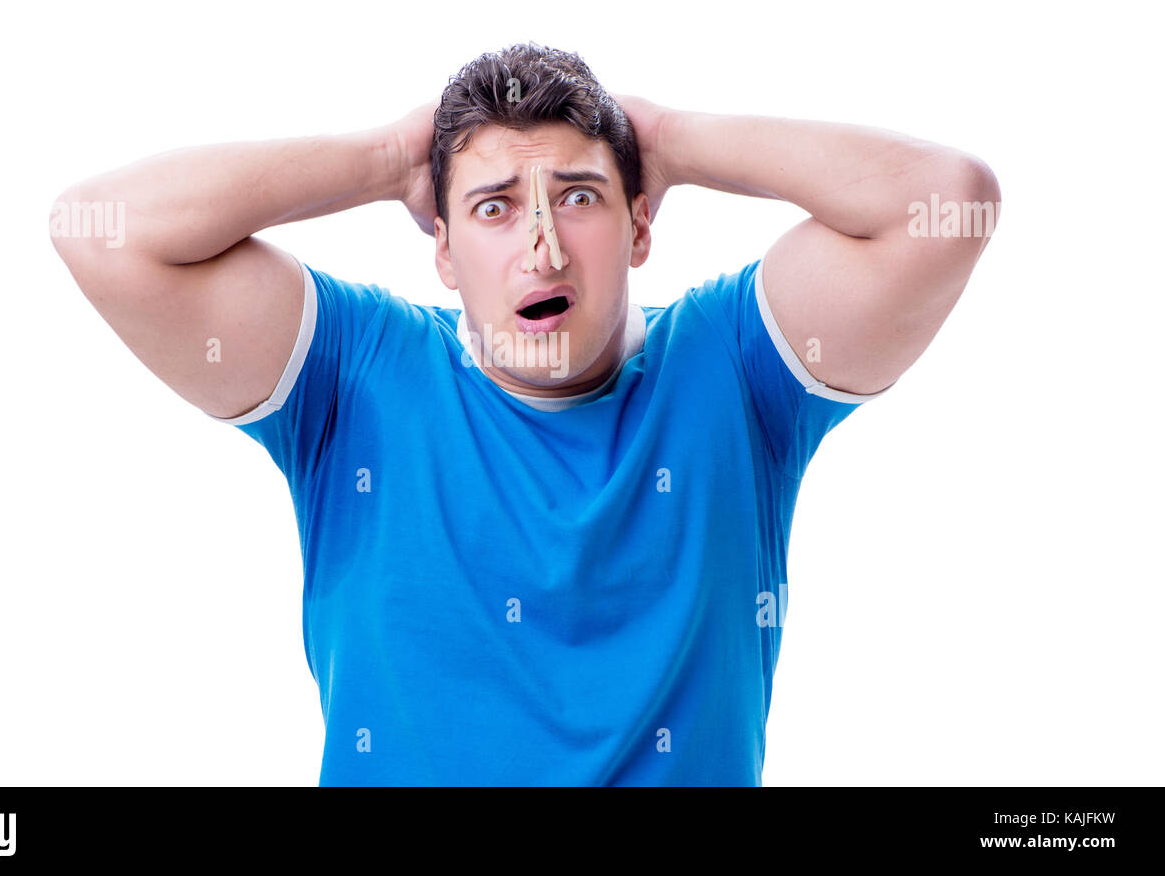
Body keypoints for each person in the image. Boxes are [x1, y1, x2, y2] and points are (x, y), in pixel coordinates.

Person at [49, 42, 1000, 785]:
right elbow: (103, 230)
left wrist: (667, 137)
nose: (542, 250)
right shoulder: (356, 374)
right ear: (443, 249)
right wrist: (385, 157)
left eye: (579, 197)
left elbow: (945, 203)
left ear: (638, 226)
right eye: (495, 208)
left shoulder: (735, 367)